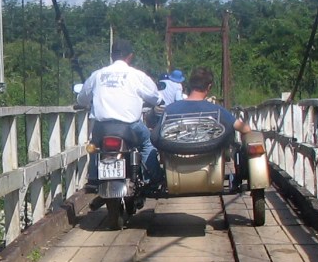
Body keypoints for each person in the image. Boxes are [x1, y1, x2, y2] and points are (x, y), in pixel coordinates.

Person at [76, 39, 162, 183]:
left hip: (102, 127)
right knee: (148, 142)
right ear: (130, 56)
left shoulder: (97, 75)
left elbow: (82, 98)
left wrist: (82, 102)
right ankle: (152, 179)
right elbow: (155, 97)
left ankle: (93, 178)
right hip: (129, 126)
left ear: (112, 56)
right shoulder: (137, 75)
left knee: (95, 146)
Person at [158, 66, 252, 136]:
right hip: (209, 158)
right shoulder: (217, 111)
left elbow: (156, 136)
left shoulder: (169, 110)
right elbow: (245, 129)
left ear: (190, 84)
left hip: (175, 158)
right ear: (209, 87)